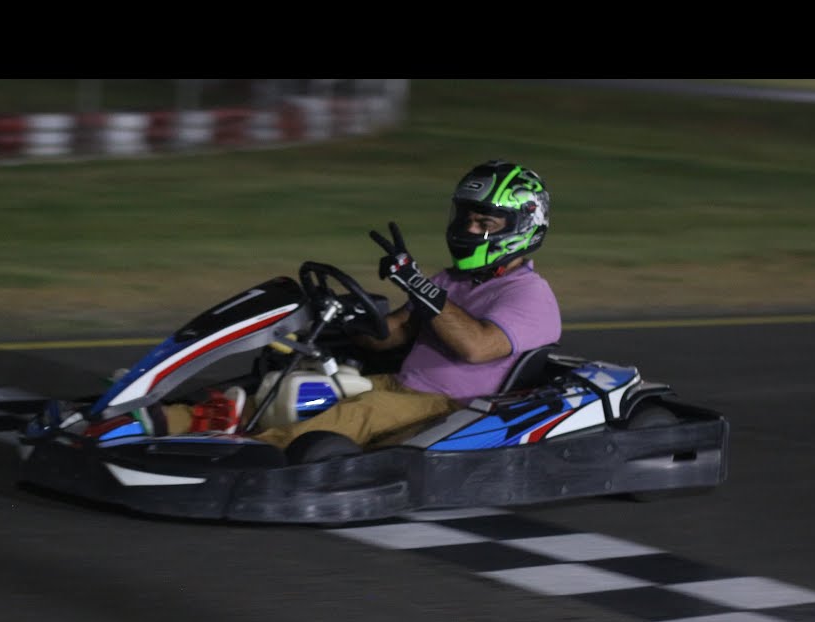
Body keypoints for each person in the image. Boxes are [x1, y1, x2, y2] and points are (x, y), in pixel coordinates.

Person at [154, 159, 563, 450]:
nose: (469, 230)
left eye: (484, 223)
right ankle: (169, 421)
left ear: (522, 229)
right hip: (401, 385)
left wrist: (419, 285)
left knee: (351, 415)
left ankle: (250, 455)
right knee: (291, 387)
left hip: (453, 407)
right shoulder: (451, 280)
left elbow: (476, 347)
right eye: (466, 219)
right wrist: (345, 318)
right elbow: (389, 338)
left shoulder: (529, 295)